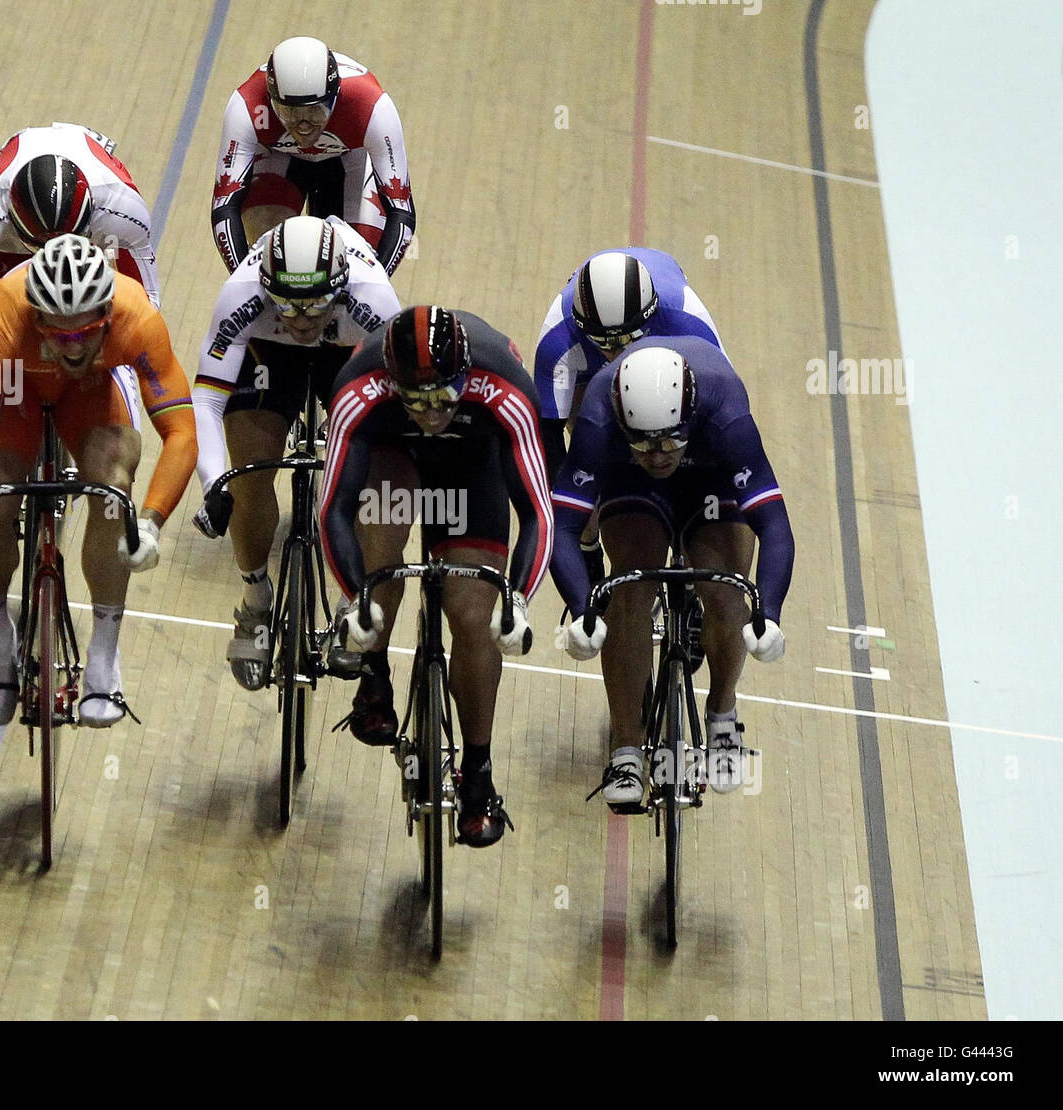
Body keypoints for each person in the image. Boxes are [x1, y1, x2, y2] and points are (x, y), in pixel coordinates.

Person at [0, 235, 196, 727]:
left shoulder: (137, 318)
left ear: (107, 316)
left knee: (113, 491)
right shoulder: (5, 315)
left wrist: (153, 520)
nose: (71, 346)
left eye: (85, 334)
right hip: (18, 387)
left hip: (94, 392)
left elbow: (180, 430)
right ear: (35, 317)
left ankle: (104, 650)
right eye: (58, 333)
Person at [318, 306, 553, 847]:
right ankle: (374, 675)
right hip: (391, 453)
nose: (429, 412)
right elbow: (334, 509)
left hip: (472, 463)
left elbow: (537, 511)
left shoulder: (507, 390)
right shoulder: (358, 388)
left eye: (442, 398)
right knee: (381, 548)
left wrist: (515, 599)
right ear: (390, 382)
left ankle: (478, 773)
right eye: (415, 400)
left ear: (466, 377)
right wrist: (357, 600)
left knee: (475, 617)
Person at [549, 339, 793, 808]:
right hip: (630, 482)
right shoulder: (600, 417)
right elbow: (562, 525)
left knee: (724, 593)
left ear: (690, 414)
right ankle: (625, 749)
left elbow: (774, 524)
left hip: (711, 476)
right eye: (643, 441)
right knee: (630, 589)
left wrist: (770, 611)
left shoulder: (726, 412)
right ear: (622, 421)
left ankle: (722, 714)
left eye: (668, 441)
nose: (658, 454)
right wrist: (583, 609)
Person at [190, 215, 401, 690]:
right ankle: (255, 601)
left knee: (372, 477)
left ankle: (353, 595)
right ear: (266, 287)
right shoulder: (241, 295)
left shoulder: (374, 301)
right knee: (248, 474)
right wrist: (214, 483)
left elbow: (397, 409)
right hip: (268, 352)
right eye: (287, 305)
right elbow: (206, 397)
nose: (302, 319)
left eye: (314, 306)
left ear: (342, 287)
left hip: (345, 351)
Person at [534, 248, 725, 580]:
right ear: (582, 328)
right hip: (589, 372)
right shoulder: (558, 337)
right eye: (604, 342)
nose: (618, 351)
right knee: (583, 454)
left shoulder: (683, 316)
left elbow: (721, 404)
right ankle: (592, 557)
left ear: (648, 318)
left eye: (629, 339)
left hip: (667, 353)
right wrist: (579, 519)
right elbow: (548, 437)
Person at [0, 122, 160, 366]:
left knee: (91, 298)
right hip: (16, 221)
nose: (52, 257)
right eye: (40, 247)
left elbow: (148, 298)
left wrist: (121, 344)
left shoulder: (121, 213)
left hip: (94, 198)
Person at [210, 36, 415, 277]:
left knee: (354, 265)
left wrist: (376, 281)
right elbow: (224, 207)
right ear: (270, 99)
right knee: (270, 258)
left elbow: (401, 212)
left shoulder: (371, 106)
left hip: (349, 159)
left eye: (316, 110)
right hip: (277, 156)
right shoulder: (247, 104)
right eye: (289, 112)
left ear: (336, 96)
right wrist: (243, 281)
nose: (304, 125)